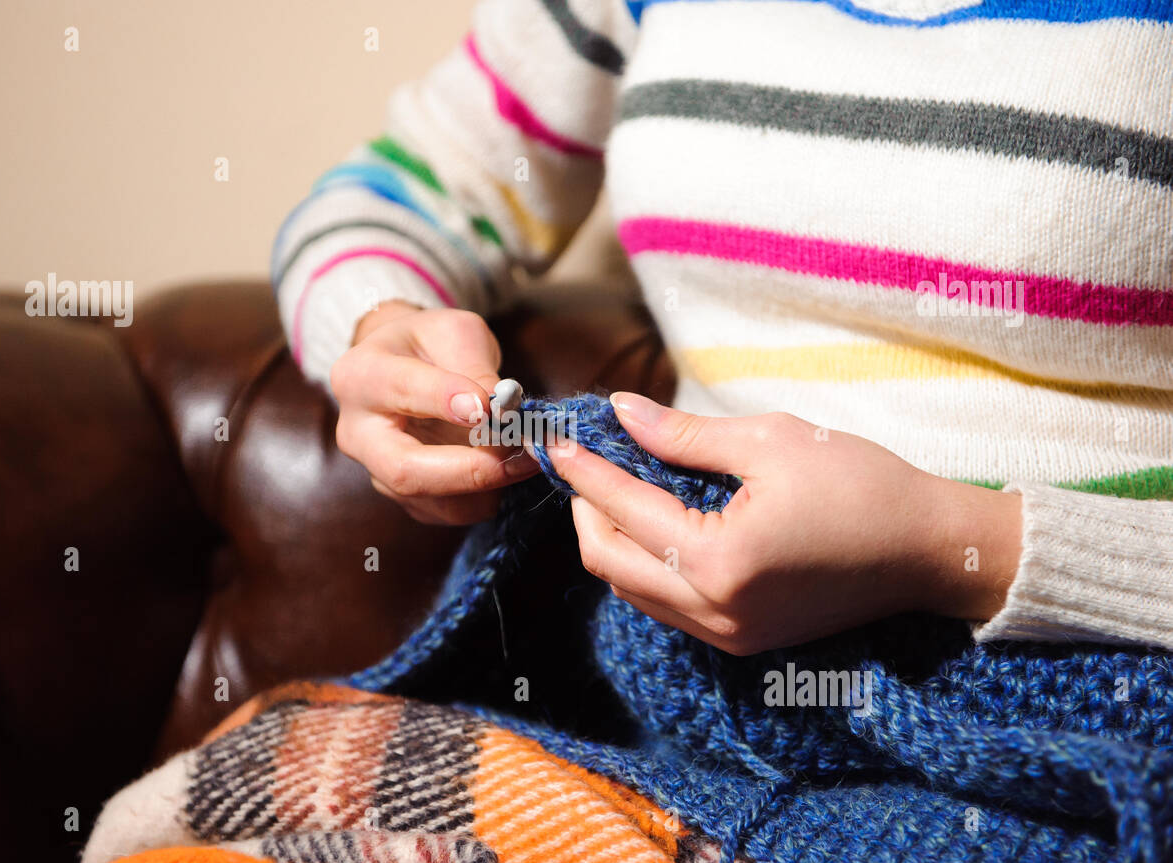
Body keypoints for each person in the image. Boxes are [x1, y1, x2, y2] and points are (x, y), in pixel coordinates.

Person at [271, 0, 1173, 655]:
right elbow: (408, 187)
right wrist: (379, 331)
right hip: (682, 706)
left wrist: (951, 545)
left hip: (1094, 734)